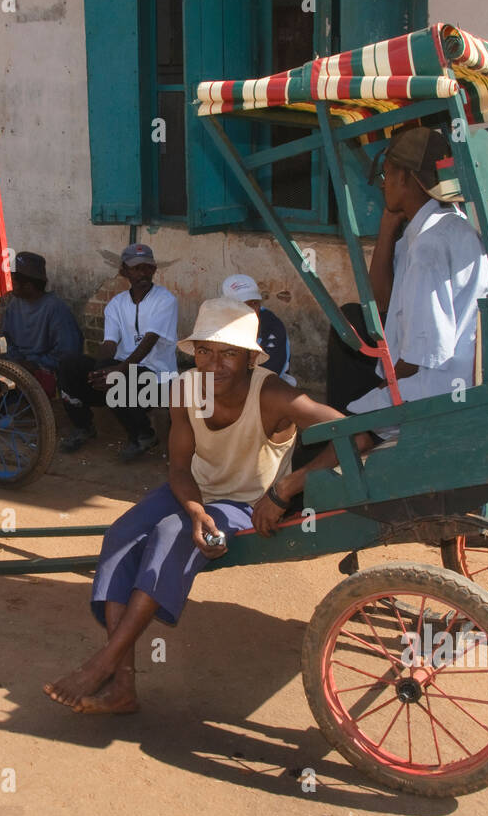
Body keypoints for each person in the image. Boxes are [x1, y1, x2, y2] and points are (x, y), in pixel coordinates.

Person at [43, 298, 374, 714]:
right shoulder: (185, 388)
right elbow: (179, 467)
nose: (214, 364)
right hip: (196, 490)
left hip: (248, 501)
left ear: (251, 358)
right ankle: (122, 684)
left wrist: (285, 490)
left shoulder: (272, 394)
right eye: (205, 351)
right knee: (121, 536)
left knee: (170, 535)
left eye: (229, 354)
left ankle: (103, 662)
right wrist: (196, 510)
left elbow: (356, 436)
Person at [327, 127, 488, 415]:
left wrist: (374, 398)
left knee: (343, 423)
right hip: (450, 369)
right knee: (352, 318)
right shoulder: (444, 224)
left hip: (437, 384)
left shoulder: (428, 246)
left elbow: (422, 354)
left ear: (403, 177)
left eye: (387, 174)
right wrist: (387, 226)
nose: (382, 185)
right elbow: (382, 301)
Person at [58, 243, 178, 461]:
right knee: (69, 363)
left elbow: (150, 340)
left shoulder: (165, 300)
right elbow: (109, 344)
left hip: (158, 378)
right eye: (136, 268)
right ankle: (83, 426)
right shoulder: (116, 304)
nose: (143, 273)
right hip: (125, 373)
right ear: (124, 271)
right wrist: (97, 372)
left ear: (154, 270)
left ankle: (143, 435)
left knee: (116, 376)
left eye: (147, 267)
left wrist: (118, 369)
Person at [0, 251, 83, 395]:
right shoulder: (15, 304)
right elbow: (7, 339)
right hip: (19, 364)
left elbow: (68, 351)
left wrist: (36, 363)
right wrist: (16, 360)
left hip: (42, 369)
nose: (10, 284)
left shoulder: (55, 308)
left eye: (14, 281)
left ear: (29, 286)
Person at [220, 273, 295, 385]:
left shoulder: (272, 326)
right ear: (227, 306)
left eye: (254, 303)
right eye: (241, 305)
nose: (249, 310)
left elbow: (270, 371)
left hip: (269, 385)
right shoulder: (217, 322)